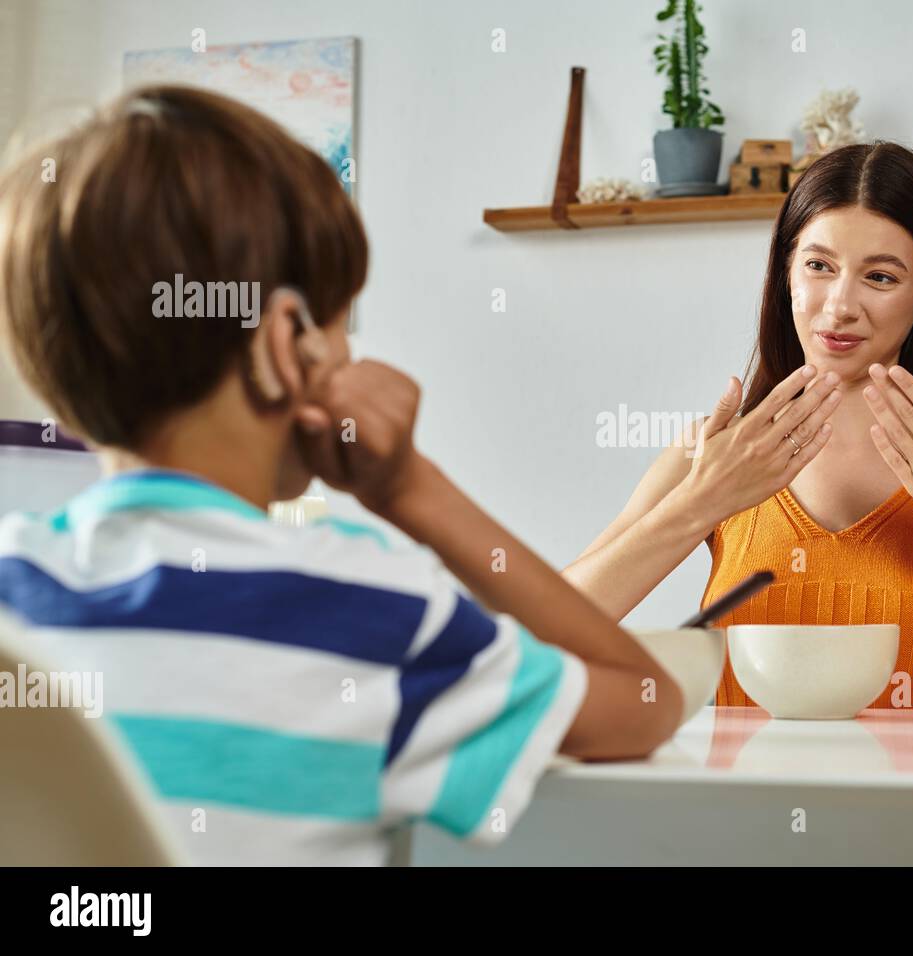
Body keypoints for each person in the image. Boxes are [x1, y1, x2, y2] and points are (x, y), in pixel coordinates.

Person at [0, 85, 682, 864]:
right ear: (289, 343)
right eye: (340, 322)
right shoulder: (371, 609)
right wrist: (407, 487)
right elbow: (645, 700)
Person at [565, 142, 913, 709]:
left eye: (879, 277)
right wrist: (699, 503)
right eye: (818, 266)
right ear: (786, 274)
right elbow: (546, 631)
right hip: (739, 795)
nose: (839, 306)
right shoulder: (715, 451)